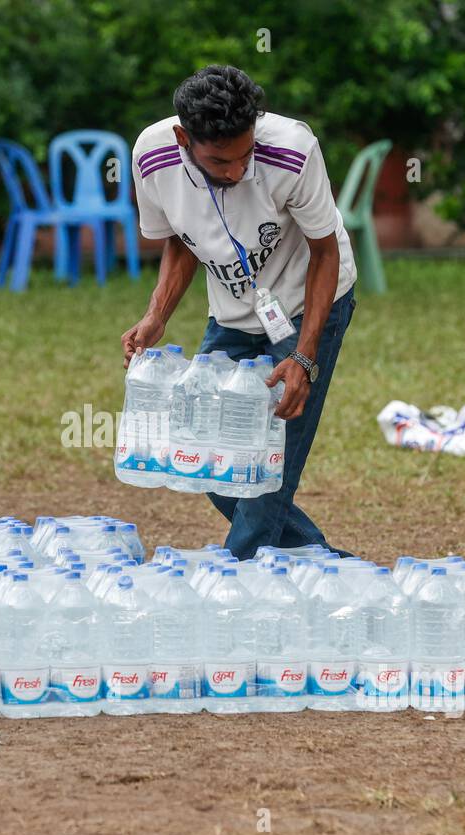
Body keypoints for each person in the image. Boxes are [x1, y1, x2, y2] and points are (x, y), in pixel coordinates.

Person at [121, 65, 358, 560]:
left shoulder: (293, 150)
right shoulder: (152, 156)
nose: (234, 170)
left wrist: (305, 357)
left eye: (244, 155)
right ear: (184, 138)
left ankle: (240, 586)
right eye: (219, 160)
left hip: (306, 301)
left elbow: (325, 251)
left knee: (268, 467)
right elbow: (183, 242)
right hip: (230, 313)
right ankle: (326, 565)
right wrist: (157, 314)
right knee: (207, 457)